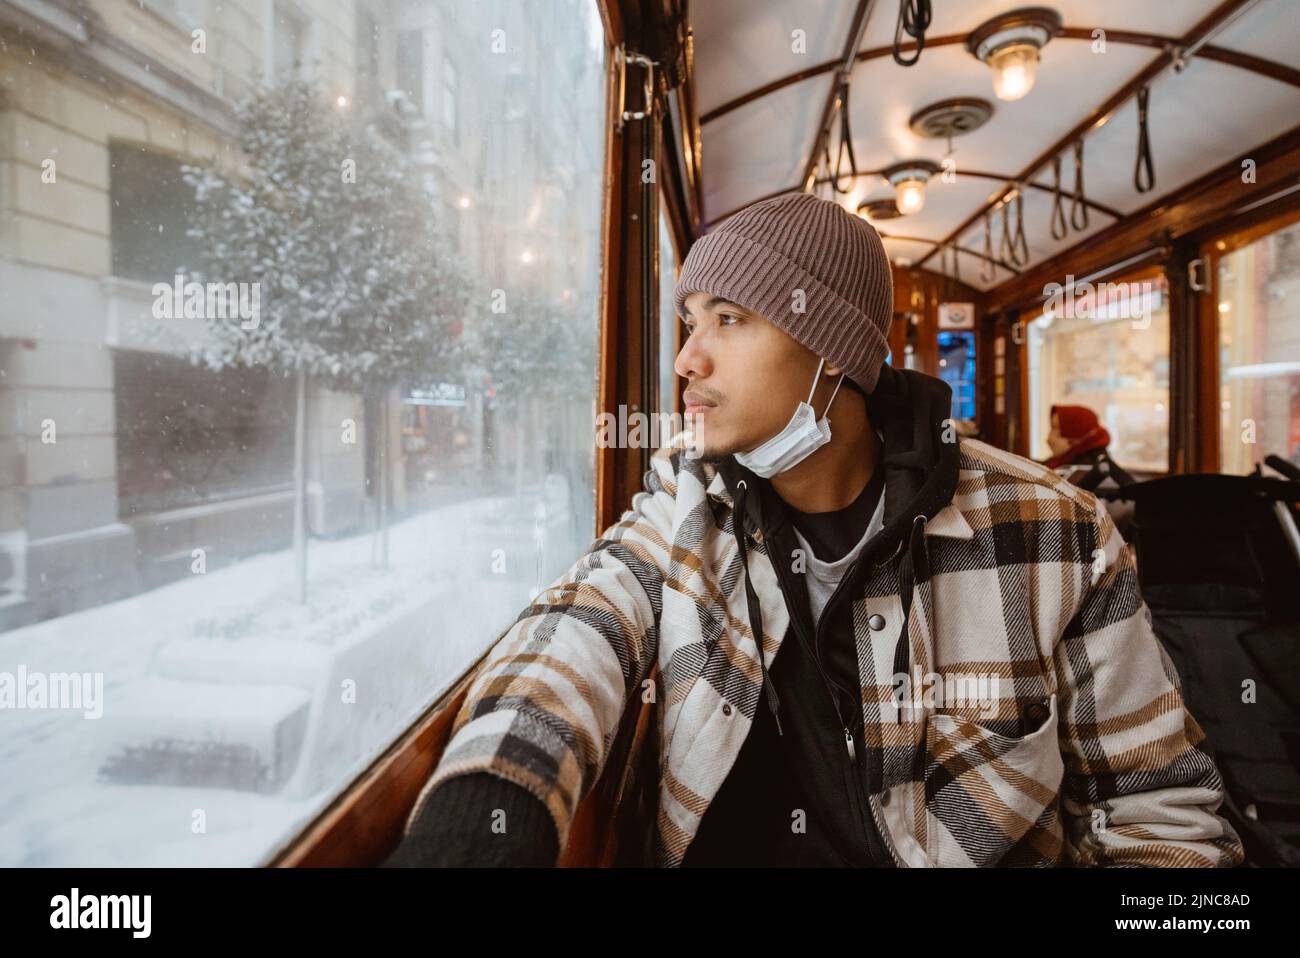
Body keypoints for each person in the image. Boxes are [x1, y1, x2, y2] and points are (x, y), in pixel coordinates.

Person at [386, 192, 1243, 868]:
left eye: (730, 319)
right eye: (691, 323)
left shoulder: (1054, 534)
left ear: (831, 349)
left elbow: (1157, 802)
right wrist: (483, 819)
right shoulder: (690, 508)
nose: (688, 359)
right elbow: (576, 632)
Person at [1044, 403, 1112, 471]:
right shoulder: (1064, 459)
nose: (1048, 440)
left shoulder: (1087, 470)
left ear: (1074, 436)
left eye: (1055, 428)